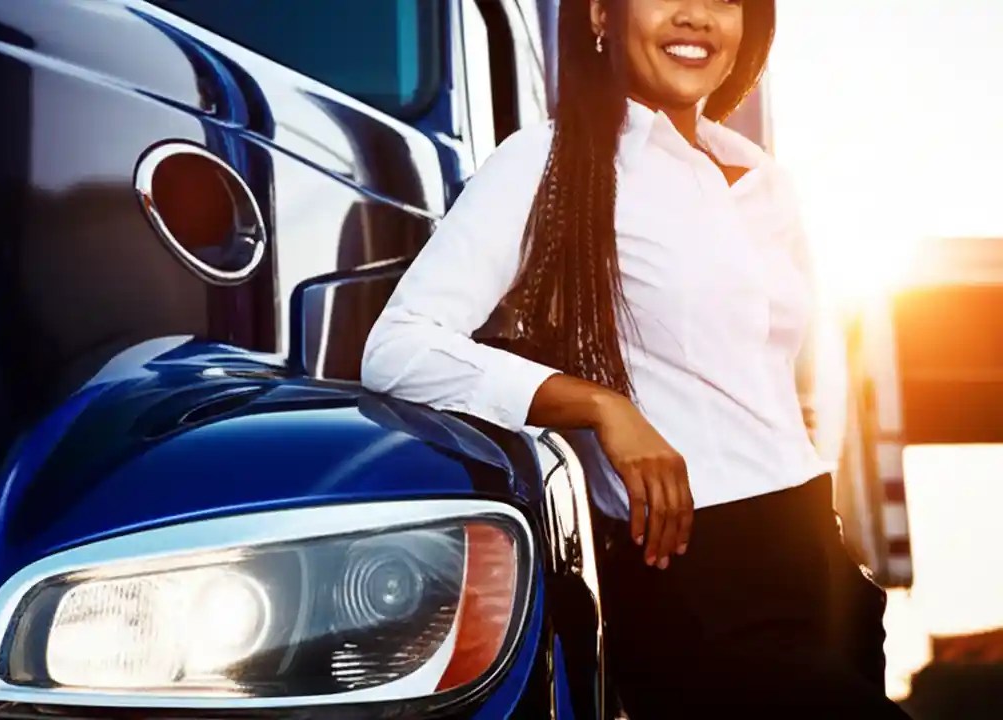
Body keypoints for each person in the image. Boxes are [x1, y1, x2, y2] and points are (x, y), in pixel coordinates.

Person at [360, 0, 909, 717]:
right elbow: (399, 348)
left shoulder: (764, 180)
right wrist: (600, 406)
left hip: (819, 562)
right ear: (600, 14)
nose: (697, 17)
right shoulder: (549, 162)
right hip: (693, 579)